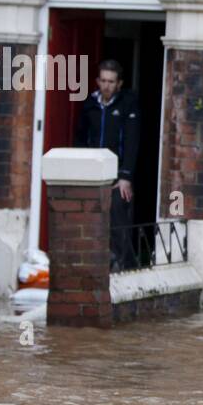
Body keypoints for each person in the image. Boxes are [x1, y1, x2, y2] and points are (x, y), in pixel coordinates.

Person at [73, 59, 140, 269]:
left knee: (118, 214)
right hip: (92, 172)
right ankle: (90, 262)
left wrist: (126, 176)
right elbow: (81, 138)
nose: (107, 86)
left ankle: (123, 263)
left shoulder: (128, 104)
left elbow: (132, 141)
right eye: (103, 81)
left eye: (111, 81)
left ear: (119, 83)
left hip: (118, 174)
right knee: (89, 214)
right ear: (97, 81)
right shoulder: (90, 105)